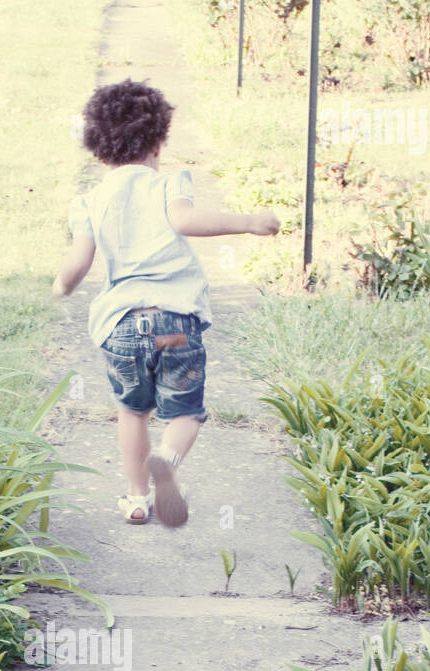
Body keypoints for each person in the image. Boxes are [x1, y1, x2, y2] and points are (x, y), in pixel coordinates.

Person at [53, 78, 279, 526]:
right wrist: (249, 221)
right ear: (158, 140)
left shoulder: (89, 201)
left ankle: (137, 497)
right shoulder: (170, 183)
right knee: (185, 412)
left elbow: (79, 261)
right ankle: (168, 460)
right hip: (175, 323)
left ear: (98, 150)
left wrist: (59, 287)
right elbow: (185, 220)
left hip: (121, 328)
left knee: (132, 411)